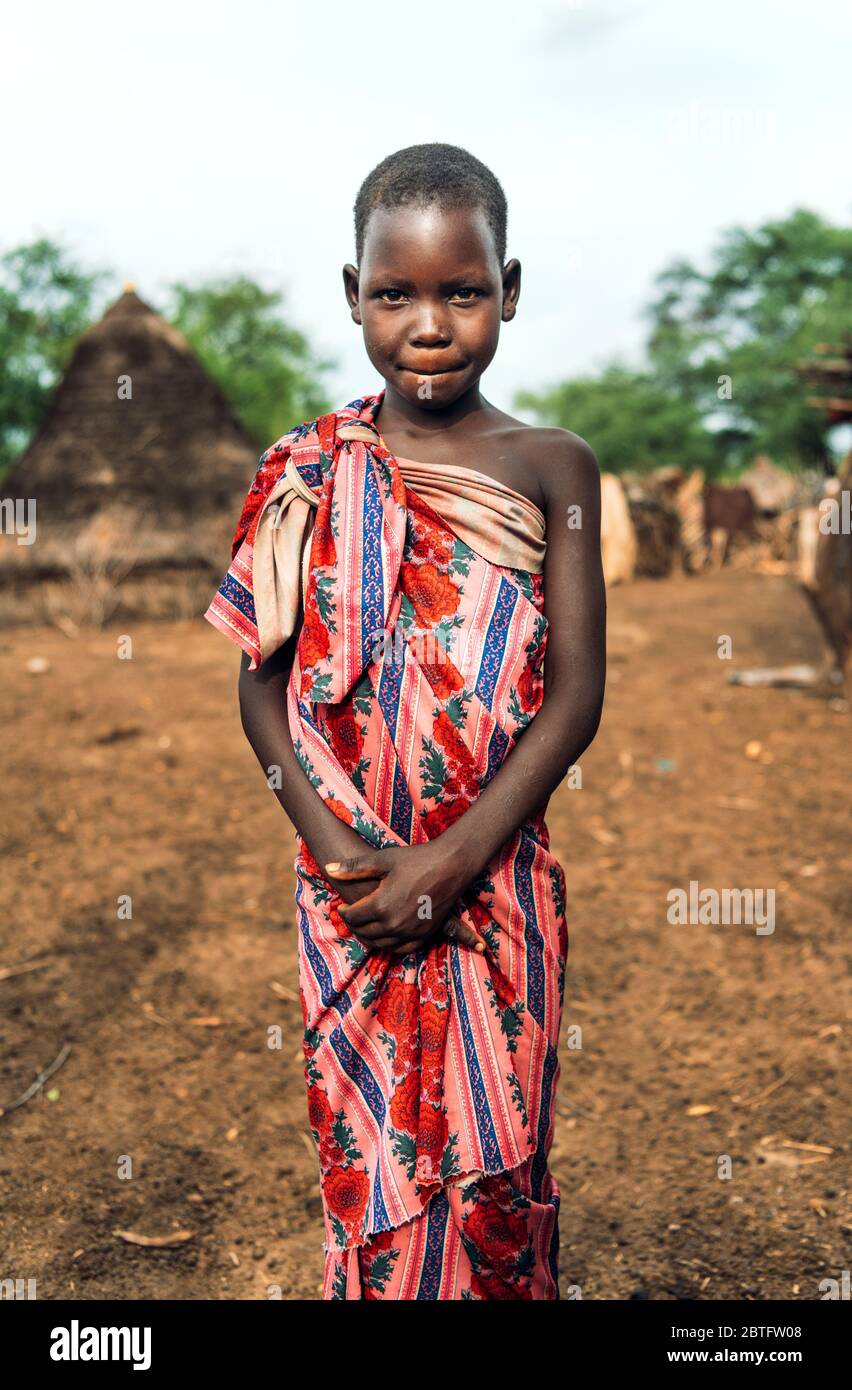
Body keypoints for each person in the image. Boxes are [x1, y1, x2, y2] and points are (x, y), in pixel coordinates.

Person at [205, 142, 606, 1300]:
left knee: (499, 1163)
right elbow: (259, 688)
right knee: (371, 1160)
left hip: (493, 878)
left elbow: (575, 695)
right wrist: (343, 857)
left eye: (462, 290)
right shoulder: (308, 471)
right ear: (353, 296)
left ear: (510, 289)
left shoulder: (551, 467)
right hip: (351, 891)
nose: (429, 324)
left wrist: (453, 861)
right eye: (396, 293)